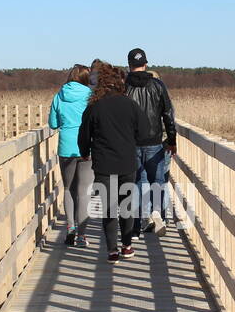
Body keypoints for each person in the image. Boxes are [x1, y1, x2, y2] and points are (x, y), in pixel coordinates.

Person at [77, 62, 145, 263]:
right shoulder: (130, 105)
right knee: (126, 205)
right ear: (118, 83)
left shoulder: (94, 108)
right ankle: (127, 246)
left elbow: (83, 135)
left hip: (104, 164)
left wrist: (84, 153)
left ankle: (112, 251)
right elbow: (142, 132)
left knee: (109, 208)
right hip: (126, 162)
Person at [123, 47, 177, 236]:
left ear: (129, 65)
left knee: (136, 182)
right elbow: (167, 114)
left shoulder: (123, 86)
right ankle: (158, 213)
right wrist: (172, 140)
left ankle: (136, 227)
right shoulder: (158, 85)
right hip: (154, 141)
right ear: (145, 64)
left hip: (131, 142)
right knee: (158, 180)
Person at [47, 64, 94, 247]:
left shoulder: (59, 96)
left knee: (68, 189)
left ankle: (70, 229)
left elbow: (53, 123)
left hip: (66, 146)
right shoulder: (90, 96)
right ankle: (82, 236)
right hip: (86, 147)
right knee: (83, 192)